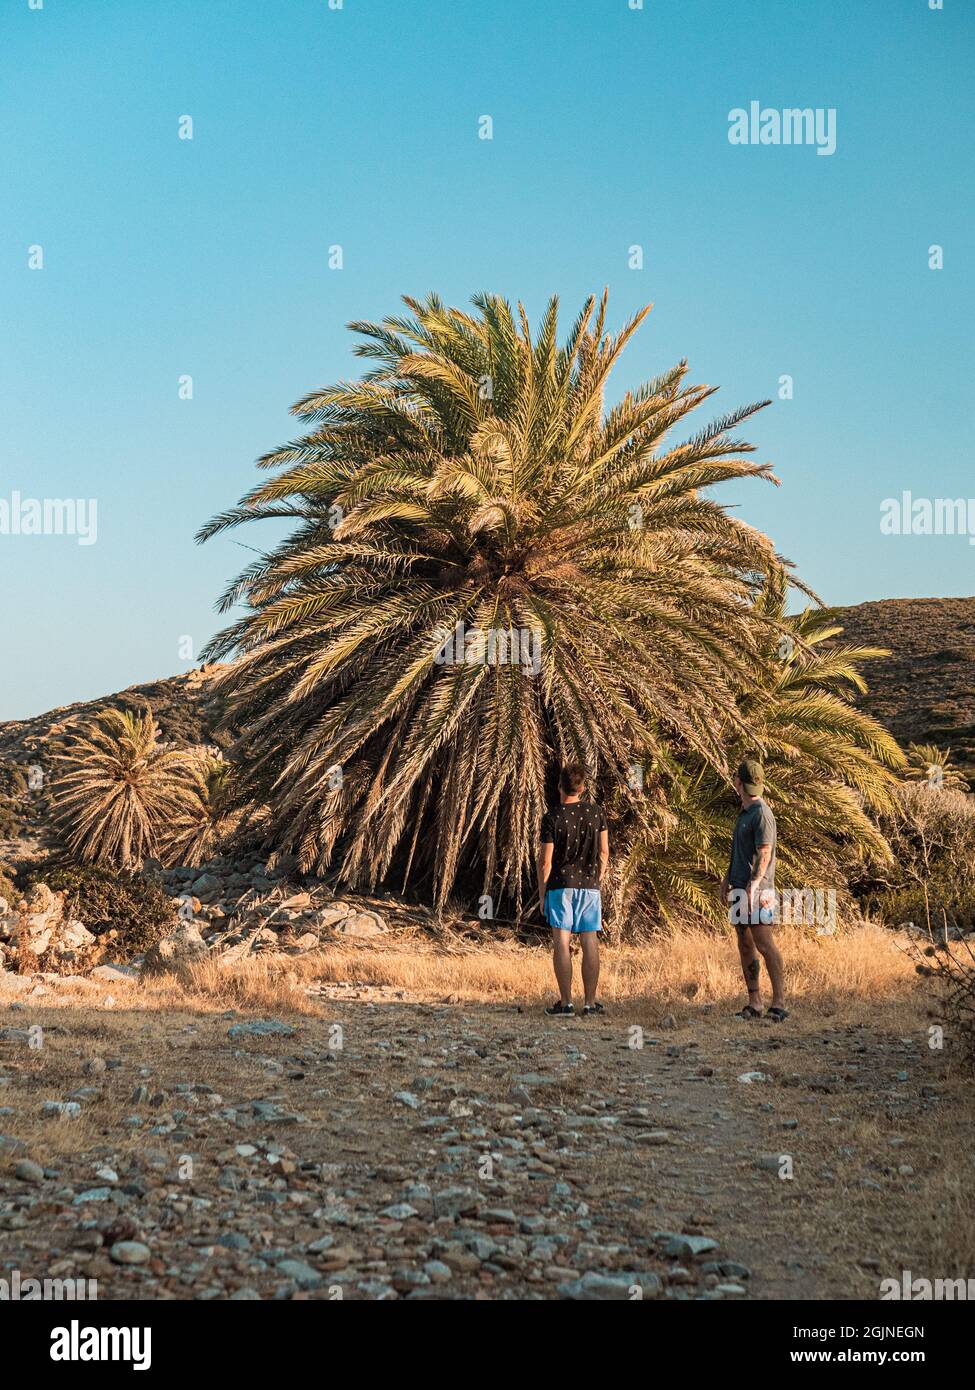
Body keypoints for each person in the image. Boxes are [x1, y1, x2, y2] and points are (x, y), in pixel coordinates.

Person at [537, 763, 609, 1017]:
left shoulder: (552, 818)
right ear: (583, 788)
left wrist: (542, 891)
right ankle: (589, 1003)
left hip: (560, 887)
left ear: (559, 786)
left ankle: (566, 1002)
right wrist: (597, 876)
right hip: (589, 886)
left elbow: (545, 861)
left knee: (562, 941)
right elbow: (604, 852)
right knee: (590, 940)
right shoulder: (596, 813)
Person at [720, 757, 788, 1021]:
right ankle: (754, 1001)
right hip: (740, 888)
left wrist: (754, 885)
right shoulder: (745, 813)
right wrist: (728, 878)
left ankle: (779, 1002)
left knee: (764, 942)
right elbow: (741, 851)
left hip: (758, 892)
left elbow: (764, 852)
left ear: (738, 782)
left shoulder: (762, 814)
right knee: (745, 943)